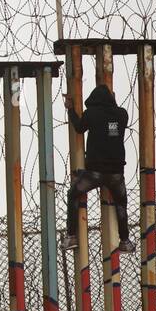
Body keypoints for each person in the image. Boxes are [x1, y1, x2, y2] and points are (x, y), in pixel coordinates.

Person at [62, 84, 134, 253]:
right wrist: (113, 101)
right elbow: (114, 117)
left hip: (95, 171)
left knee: (73, 194)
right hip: (116, 173)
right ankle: (125, 241)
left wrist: (71, 109)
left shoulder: (92, 114)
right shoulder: (122, 115)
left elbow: (79, 127)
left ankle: (71, 236)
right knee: (121, 204)